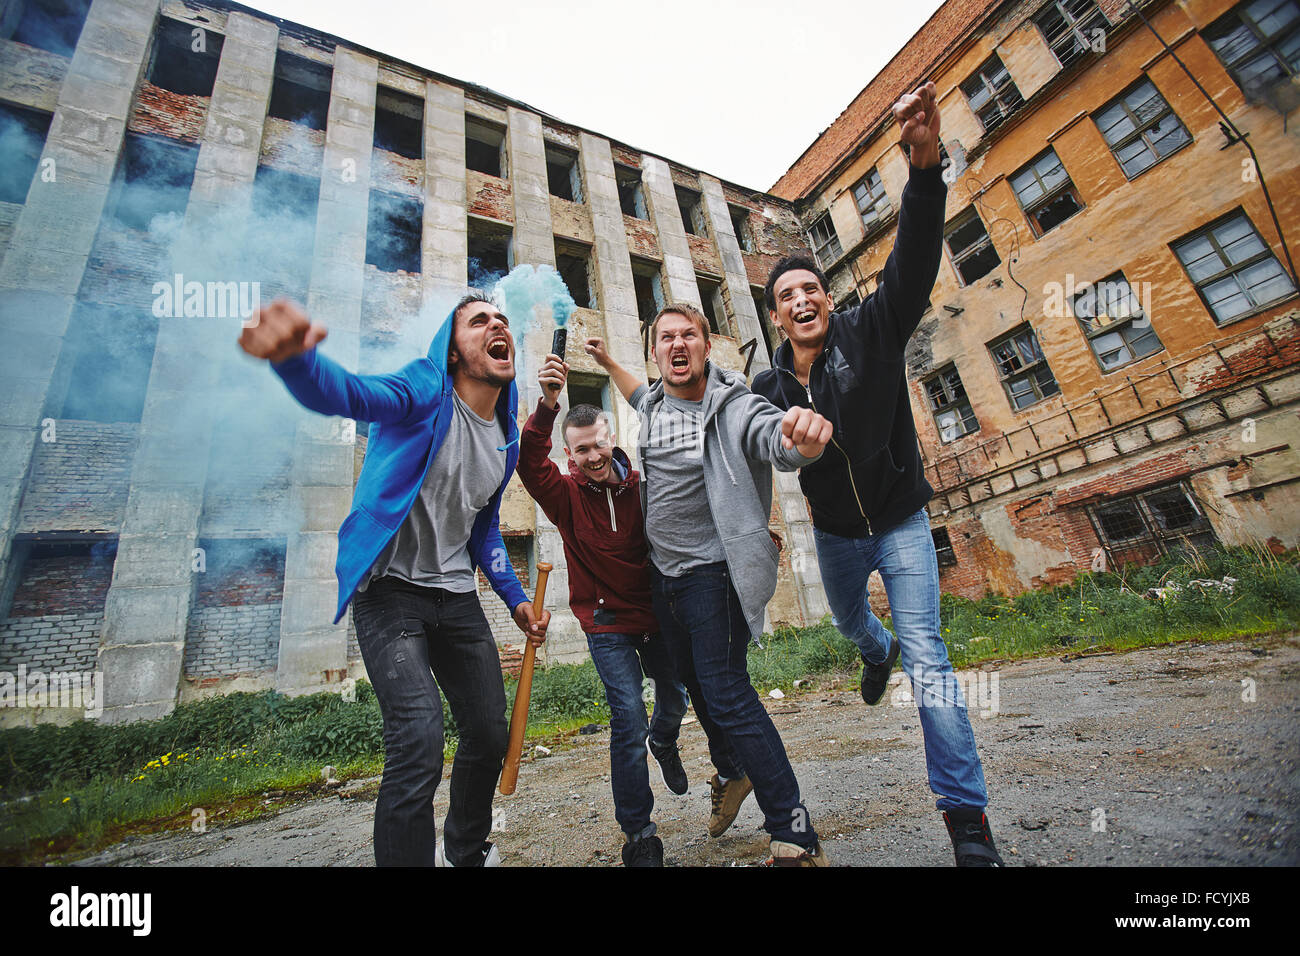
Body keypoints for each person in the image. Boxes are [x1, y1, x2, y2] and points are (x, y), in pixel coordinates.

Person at [750, 82, 1003, 867]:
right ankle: (872, 651)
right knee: (857, 628)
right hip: (836, 535)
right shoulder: (769, 387)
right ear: (774, 317)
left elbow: (916, 254)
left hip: (897, 519)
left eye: (811, 287)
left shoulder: (873, 326)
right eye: (786, 295)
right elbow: (761, 443)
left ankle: (967, 824)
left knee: (928, 652)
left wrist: (925, 170)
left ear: (827, 299)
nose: (802, 299)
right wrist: (792, 446)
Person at [238, 293, 550, 868]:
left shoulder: (504, 443)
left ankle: (466, 849)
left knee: (486, 733)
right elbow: (356, 395)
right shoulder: (422, 392)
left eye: (501, 321)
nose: (496, 326)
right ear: (453, 351)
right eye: (478, 321)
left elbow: (481, 530)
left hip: (455, 598)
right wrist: (297, 362)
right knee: (419, 738)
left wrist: (517, 600)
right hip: (390, 595)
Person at [587, 306, 835, 867]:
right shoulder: (654, 401)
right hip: (663, 576)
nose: (678, 345)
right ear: (656, 352)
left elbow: (776, 438)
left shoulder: (734, 404)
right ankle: (734, 770)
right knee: (695, 685)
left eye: (689, 336)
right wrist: (605, 361)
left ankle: (794, 829)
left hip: (711, 574)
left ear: (706, 346)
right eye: (666, 337)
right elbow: (633, 393)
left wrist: (805, 441)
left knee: (725, 690)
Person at [518, 352, 738, 866]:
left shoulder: (644, 486)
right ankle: (639, 833)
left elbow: (693, 513)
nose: (591, 456)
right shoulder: (565, 495)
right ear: (568, 455)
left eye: (597, 444)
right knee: (626, 715)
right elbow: (529, 463)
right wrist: (548, 405)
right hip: (606, 621)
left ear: (611, 439)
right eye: (579, 451)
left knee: (676, 698)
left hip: (655, 614)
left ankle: (666, 741)